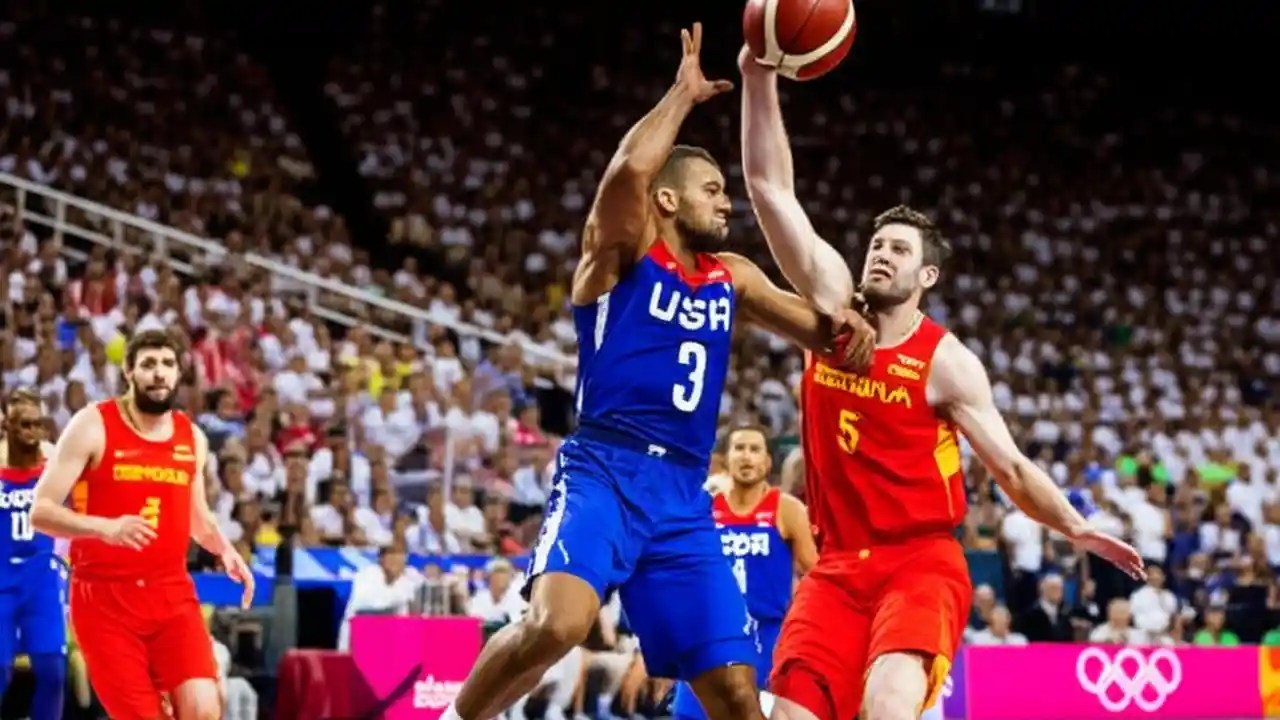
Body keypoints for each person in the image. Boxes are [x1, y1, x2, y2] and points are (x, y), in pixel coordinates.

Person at [444, 24, 873, 720]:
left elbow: (827, 336)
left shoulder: (732, 277)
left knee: (735, 693)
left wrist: (846, 319)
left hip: (681, 491)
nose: (726, 201)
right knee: (558, 625)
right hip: (606, 468)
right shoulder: (622, 256)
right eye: (711, 189)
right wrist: (681, 96)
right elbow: (625, 174)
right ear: (668, 201)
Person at [737, 47, 1145, 720]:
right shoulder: (835, 306)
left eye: (900, 249)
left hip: (919, 562)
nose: (882, 253)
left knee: (889, 707)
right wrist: (758, 75)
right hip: (836, 568)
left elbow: (1010, 467)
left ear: (926, 277)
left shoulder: (946, 361)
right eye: (878, 243)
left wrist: (1076, 527)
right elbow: (769, 188)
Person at [32, 329, 254, 720]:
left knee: (203, 707)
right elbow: (42, 512)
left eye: (167, 364)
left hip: (170, 594)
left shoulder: (193, 438)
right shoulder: (92, 425)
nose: (159, 373)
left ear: (179, 374)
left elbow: (197, 517)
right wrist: (105, 528)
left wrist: (225, 550)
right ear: (129, 371)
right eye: (148, 364)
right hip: (104, 599)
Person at [671, 425, 817, 719]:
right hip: (708, 634)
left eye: (755, 449)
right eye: (739, 448)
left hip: (765, 637)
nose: (747, 456)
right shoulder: (705, 508)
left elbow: (816, 576)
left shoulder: (786, 510)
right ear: (726, 459)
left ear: (768, 462)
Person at [0, 389, 65, 719]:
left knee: (53, 674)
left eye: (35, 423)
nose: (29, 430)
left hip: (41, 577)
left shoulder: (54, 460)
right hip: (1, 579)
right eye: (21, 423)